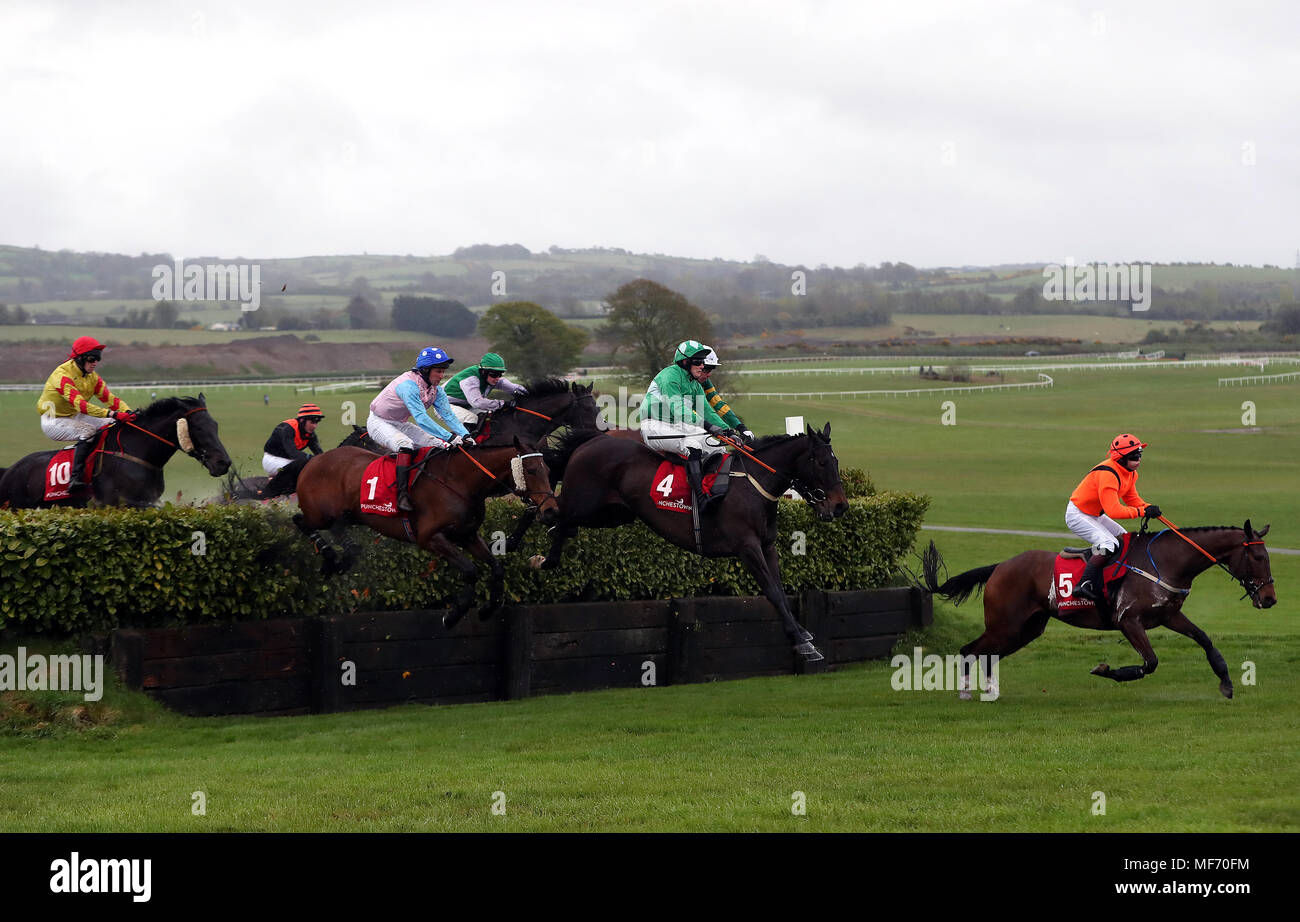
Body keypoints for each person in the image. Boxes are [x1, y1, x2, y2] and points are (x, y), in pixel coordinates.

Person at [639, 340, 754, 513]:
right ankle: (700, 500)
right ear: (685, 362)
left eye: (703, 362)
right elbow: (680, 411)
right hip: (654, 425)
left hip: (676, 426)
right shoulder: (669, 376)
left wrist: (729, 432)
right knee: (693, 446)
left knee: (718, 447)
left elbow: (708, 412)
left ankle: (716, 492)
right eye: (698, 362)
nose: (702, 366)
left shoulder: (694, 384)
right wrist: (709, 427)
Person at [368, 346, 474, 512]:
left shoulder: (436, 390)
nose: (441, 376)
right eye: (438, 371)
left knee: (438, 445)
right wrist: (450, 437)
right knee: (406, 445)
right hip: (379, 422)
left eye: (443, 371)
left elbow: (449, 416)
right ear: (425, 370)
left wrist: (465, 435)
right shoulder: (408, 386)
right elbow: (422, 419)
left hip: (400, 423)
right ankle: (401, 495)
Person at [1066, 433, 1161, 614]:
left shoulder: (1130, 474)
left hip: (1095, 514)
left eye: (1140, 454)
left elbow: (1133, 499)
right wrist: (1142, 512)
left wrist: (1149, 507)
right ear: (1121, 458)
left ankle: (1114, 580)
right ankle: (1084, 583)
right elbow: (1114, 511)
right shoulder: (1108, 475)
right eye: (1134, 456)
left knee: (1124, 540)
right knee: (1108, 543)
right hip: (1078, 514)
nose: (1138, 459)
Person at [36, 336, 133, 493]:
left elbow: (109, 398)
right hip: (53, 420)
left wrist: (127, 411)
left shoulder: (92, 377)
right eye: (91, 359)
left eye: (98, 359)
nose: (95, 363)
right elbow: (81, 406)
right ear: (79, 358)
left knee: (111, 423)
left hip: (73, 415)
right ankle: (75, 478)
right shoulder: (62, 376)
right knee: (87, 431)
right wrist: (114, 413)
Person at [442, 352, 529, 427]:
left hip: (466, 405)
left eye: (500, 374)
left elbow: (515, 388)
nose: (497, 378)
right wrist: (503, 403)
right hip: (444, 406)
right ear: (483, 371)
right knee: (472, 420)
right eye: (494, 374)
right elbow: (478, 403)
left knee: (491, 417)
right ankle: (463, 444)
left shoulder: (492, 378)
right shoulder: (471, 379)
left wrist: (532, 394)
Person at [262, 403, 325, 475]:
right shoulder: (288, 428)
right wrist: (311, 458)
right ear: (302, 420)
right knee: (303, 470)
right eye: (312, 422)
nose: (314, 426)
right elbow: (293, 453)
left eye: (316, 423)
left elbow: (319, 453)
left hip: (289, 460)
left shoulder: (310, 434)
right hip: (272, 459)